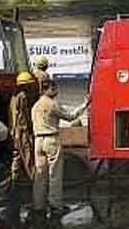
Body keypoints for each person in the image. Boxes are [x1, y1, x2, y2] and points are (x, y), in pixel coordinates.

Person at [32, 80, 89, 217]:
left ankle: (38, 206)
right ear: (47, 90)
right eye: (54, 88)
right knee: (55, 175)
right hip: (51, 140)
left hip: (38, 141)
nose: (56, 90)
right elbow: (70, 117)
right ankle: (55, 206)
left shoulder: (35, 105)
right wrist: (85, 104)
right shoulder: (52, 104)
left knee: (40, 176)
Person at [10, 71, 37, 183]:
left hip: (14, 131)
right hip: (22, 131)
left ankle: (14, 179)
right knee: (28, 156)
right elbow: (25, 116)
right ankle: (34, 180)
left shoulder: (13, 97)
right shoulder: (23, 97)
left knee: (17, 156)